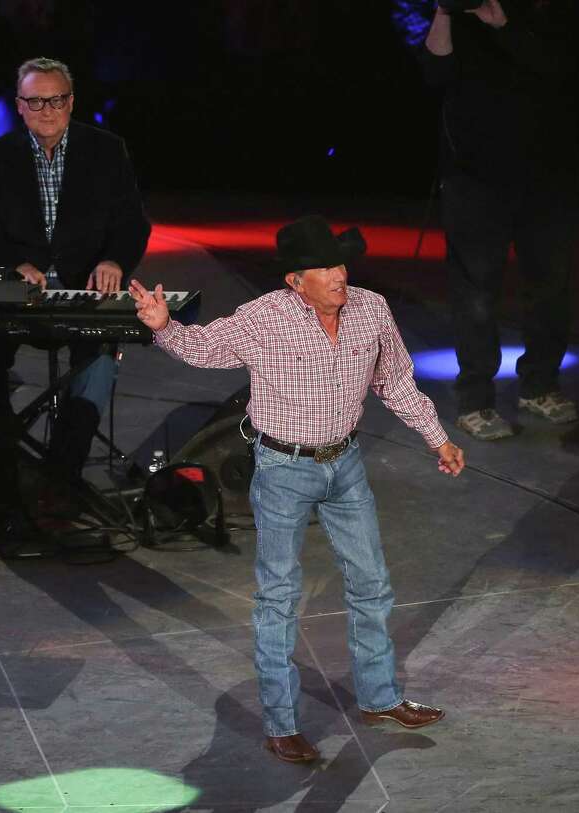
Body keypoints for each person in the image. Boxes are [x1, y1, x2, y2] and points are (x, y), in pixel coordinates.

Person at [129, 215, 465, 764]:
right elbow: (205, 349)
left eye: (340, 264)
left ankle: (380, 698)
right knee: (279, 596)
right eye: (324, 268)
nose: (338, 275)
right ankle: (282, 724)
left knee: (372, 583)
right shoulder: (266, 317)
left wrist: (436, 438)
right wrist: (165, 326)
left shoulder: (371, 308)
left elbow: (397, 381)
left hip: (345, 465)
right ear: (294, 280)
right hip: (284, 469)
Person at [0, 56, 150, 545]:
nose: (45, 109)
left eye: (55, 99)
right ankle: (0, 482)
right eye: (35, 101)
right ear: (19, 106)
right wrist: (14, 265)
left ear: (71, 103)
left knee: (98, 358)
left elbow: (132, 223)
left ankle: (61, 477)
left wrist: (114, 260)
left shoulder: (106, 151)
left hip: (86, 292)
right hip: (20, 293)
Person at [421, 0, 579, 440]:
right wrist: (445, 11)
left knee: (549, 284)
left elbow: (560, 68)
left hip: (544, 173)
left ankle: (540, 385)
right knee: (475, 293)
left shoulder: (544, 12)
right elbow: (434, 73)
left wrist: (504, 22)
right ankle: (475, 400)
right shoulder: (459, 17)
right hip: (475, 177)